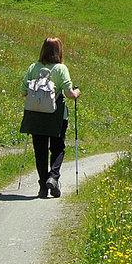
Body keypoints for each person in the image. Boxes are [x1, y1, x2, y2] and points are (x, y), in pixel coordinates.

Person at [20, 37, 80, 198]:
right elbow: (69, 94)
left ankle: (42, 187)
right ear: (59, 51)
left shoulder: (34, 68)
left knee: (40, 150)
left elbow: (24, 91)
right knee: (57, 148)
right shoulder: (60, 69)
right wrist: (77, 92)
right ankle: (53, 177)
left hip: (36, 115)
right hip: (57, 116)